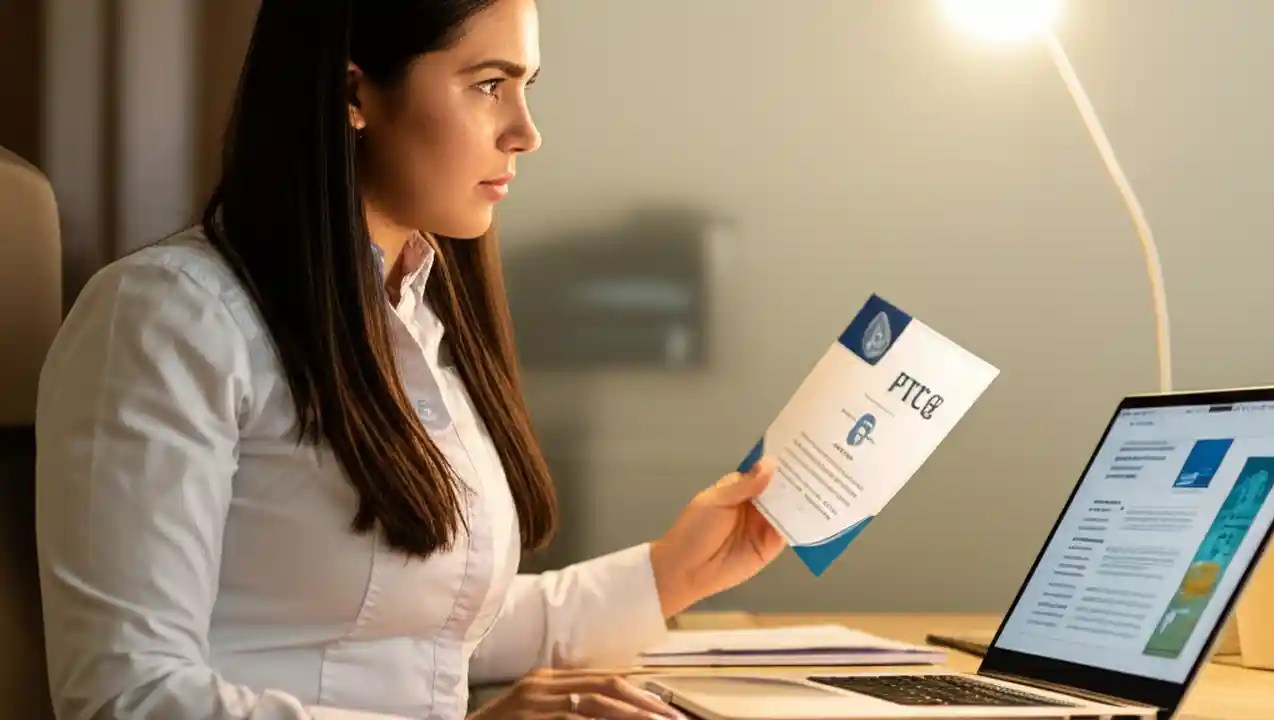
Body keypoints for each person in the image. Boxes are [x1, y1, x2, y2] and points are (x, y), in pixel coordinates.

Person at [33, 1, 784, 719]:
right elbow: (124, 697)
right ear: (354, 94)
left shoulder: (418, 311)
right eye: (488, 85)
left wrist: (672, 571)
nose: (526, 132)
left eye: (526, 85)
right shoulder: (170, 317)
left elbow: (433, 622)